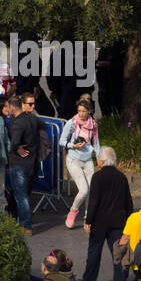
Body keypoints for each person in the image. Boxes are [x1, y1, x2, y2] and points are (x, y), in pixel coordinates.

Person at [81, 147, 133, 281]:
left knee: (94, 252)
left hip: (99, 222)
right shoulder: (121, 177)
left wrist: (88, 220)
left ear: (101, 161)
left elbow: (93, 202)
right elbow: (128, 202)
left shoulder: (97, 177)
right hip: (118, 223)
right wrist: (129, 222)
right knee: (119, 253)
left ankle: (89, 280)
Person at [60, 96, 100, 229]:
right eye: (79, 111)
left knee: (92, 190)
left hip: (87, 160)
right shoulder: (72, 122)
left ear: (90, 111)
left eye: (84, 111)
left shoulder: (93, 124)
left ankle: (88, 218)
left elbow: (96, 143)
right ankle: (73, 211)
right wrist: (73, 146)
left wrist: (99, 157)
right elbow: (61, 141)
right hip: (73, 160)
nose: (81, 114)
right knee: (83, 190)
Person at [5, 94, 40, 235]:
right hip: (30, 161)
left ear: (12, 107)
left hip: (19, 163)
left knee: (21, 195)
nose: (6, 109)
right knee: (23, 194)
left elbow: (14, 142)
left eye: (8, 107)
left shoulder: (19, 122)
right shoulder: (31, 119)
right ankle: (23, 223)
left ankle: (25, 225)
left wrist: (15, 148)